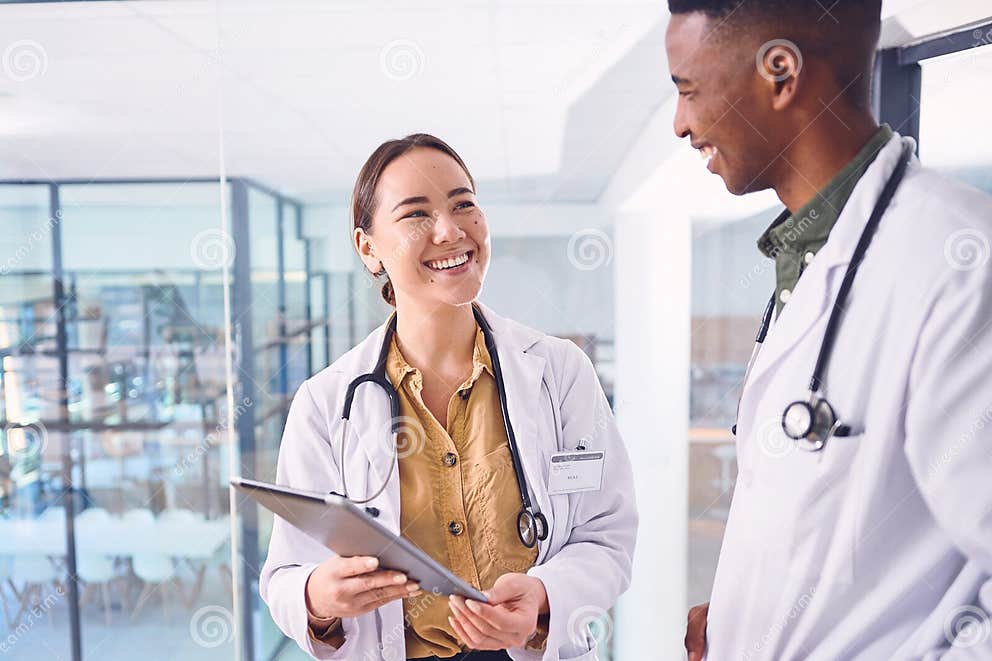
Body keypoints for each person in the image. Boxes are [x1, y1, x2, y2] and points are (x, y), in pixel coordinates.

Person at [665, 1, 992, 659]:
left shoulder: (957, 260)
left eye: (689, 90)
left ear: (781, 72)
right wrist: (737, 615)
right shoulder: (810, 250)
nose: (681, 125)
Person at [259, 133, 637, 660]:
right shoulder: (325, 404)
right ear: (369, 249)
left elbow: (607, 535)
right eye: (416, 214)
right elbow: (284, 575)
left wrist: (546, 596)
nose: (451, 230)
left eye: (464, 204)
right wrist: (317, 599)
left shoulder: (559, 372)